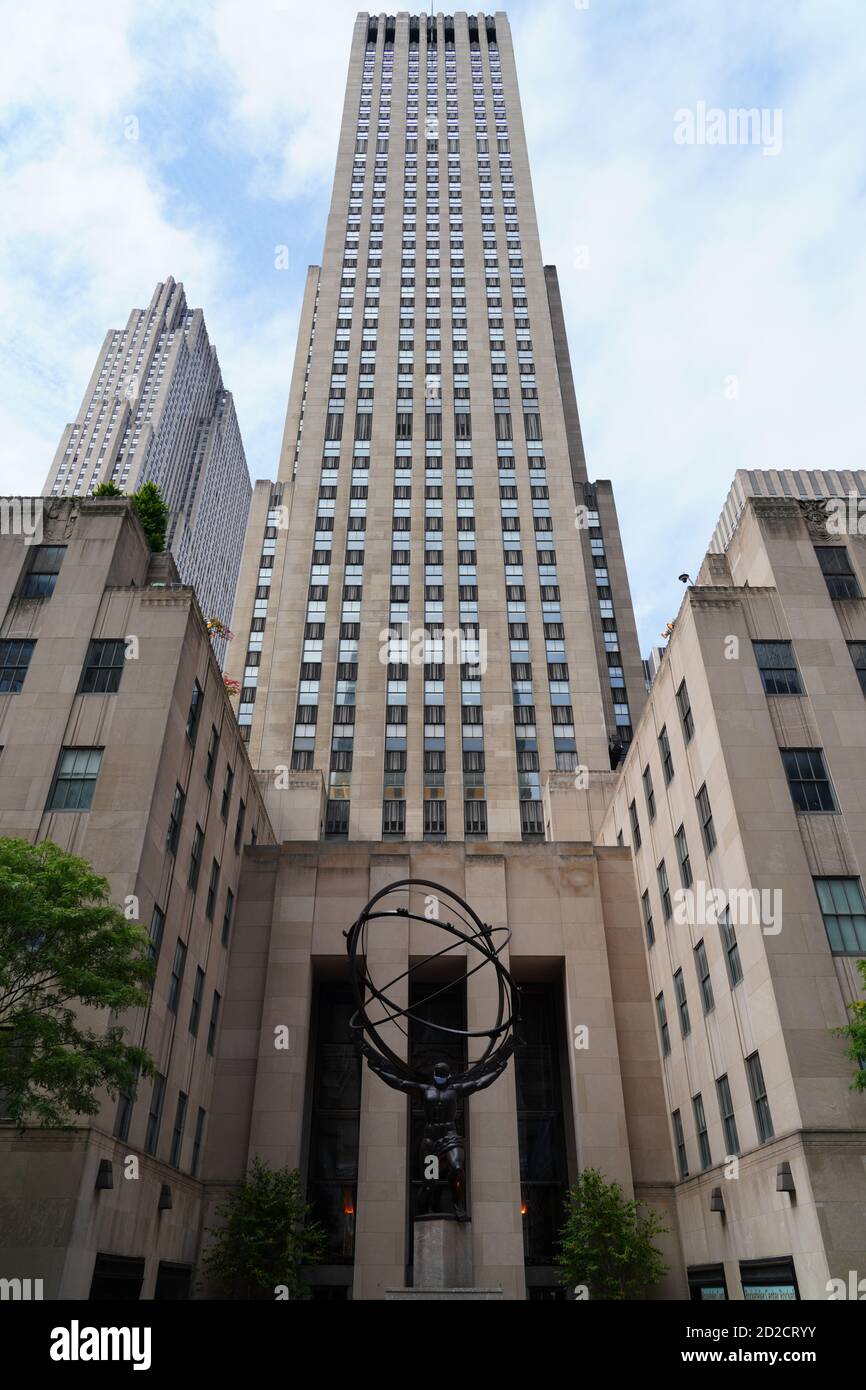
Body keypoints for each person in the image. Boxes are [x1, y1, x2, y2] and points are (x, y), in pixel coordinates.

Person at [358, 1037, 512, 1220]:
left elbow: (479, 1083)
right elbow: (399, 1083)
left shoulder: (456, 1089)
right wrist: (377, 1069)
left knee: (456, 1167)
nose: (438, 1075)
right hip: (430, 1141)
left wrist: (499, 1068)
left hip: (449, 1137)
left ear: (448, 1075)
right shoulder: (424, 1090)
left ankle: (458, 1205)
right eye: (436, 1072)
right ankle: (424, 1212)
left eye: (441, 1073)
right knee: (429, 1182)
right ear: (433, 1073)